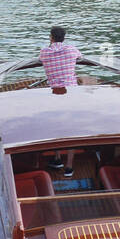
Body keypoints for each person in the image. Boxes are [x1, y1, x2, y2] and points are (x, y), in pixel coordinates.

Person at [38, 26, 83, 175]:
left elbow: (40, 59)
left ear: (51, 37)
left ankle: (57, 159)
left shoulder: (44, 52)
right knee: (71, 130)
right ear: (64, 38)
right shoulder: (71, 50)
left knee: (55, 126)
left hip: (54, 95)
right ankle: (69, 167)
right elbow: (80, 57)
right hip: (72, 95)